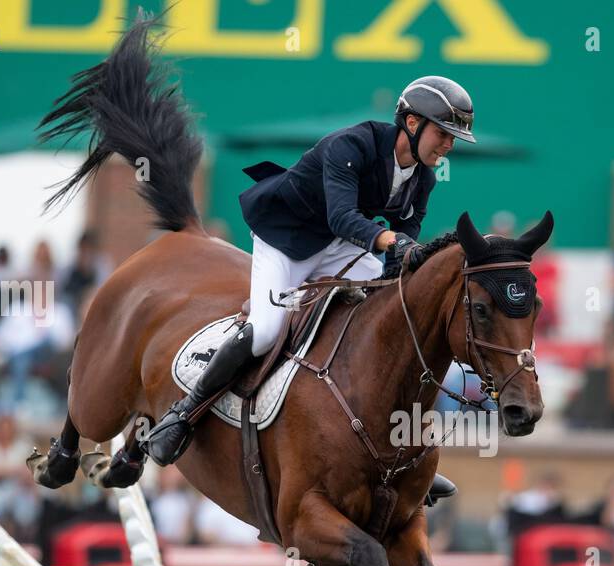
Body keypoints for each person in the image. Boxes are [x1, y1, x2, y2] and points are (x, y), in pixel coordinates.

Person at [142, 76, 472, 511]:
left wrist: (403, 271)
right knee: (265, 330)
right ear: (412, 123)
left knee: (390, 313)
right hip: (287, 240)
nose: (448, 145)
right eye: (443, 133)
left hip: (340, 246)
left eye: (452, 137)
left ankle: (401, 455)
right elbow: (343, 217)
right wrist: (391, 242)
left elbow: (404, 236)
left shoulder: (423, 178)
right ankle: (183, 414)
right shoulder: (351, 146)